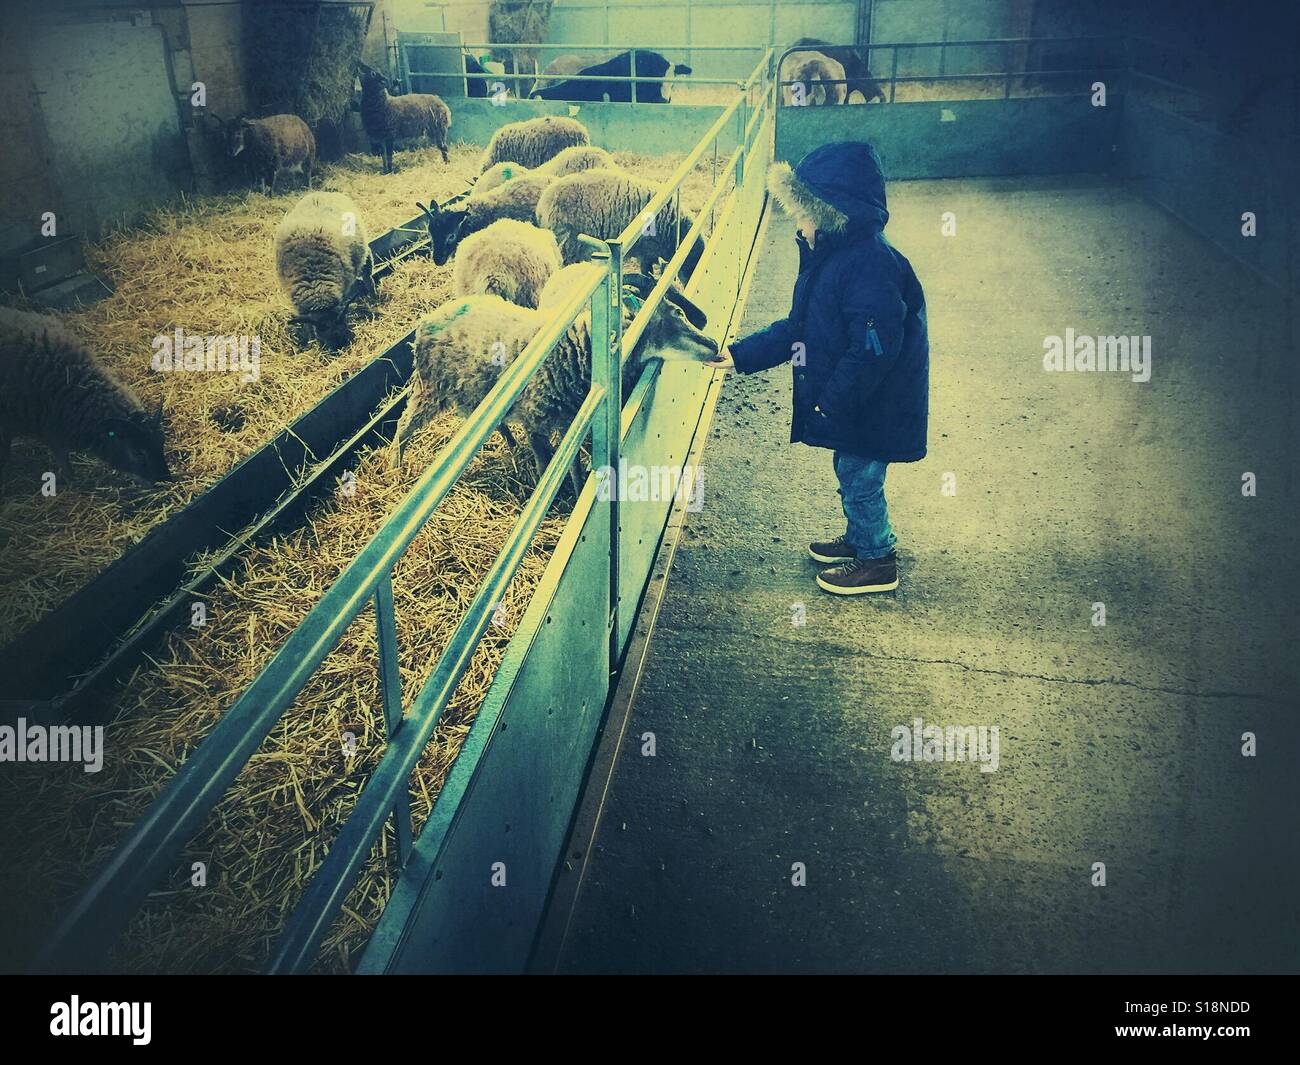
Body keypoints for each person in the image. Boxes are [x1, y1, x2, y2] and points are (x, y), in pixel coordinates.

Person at [707, 141, 929, 595]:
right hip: (862, 401)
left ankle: (877, 560)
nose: (797, 223)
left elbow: (873, 349)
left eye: (802, 213)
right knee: (851, 470)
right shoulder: (832, 260)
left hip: (877, 401)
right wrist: (740, 354)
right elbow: (799, 328)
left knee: (859, 475)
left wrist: (832, 403)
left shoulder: (868, 265)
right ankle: (861, 539)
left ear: (830, 215)